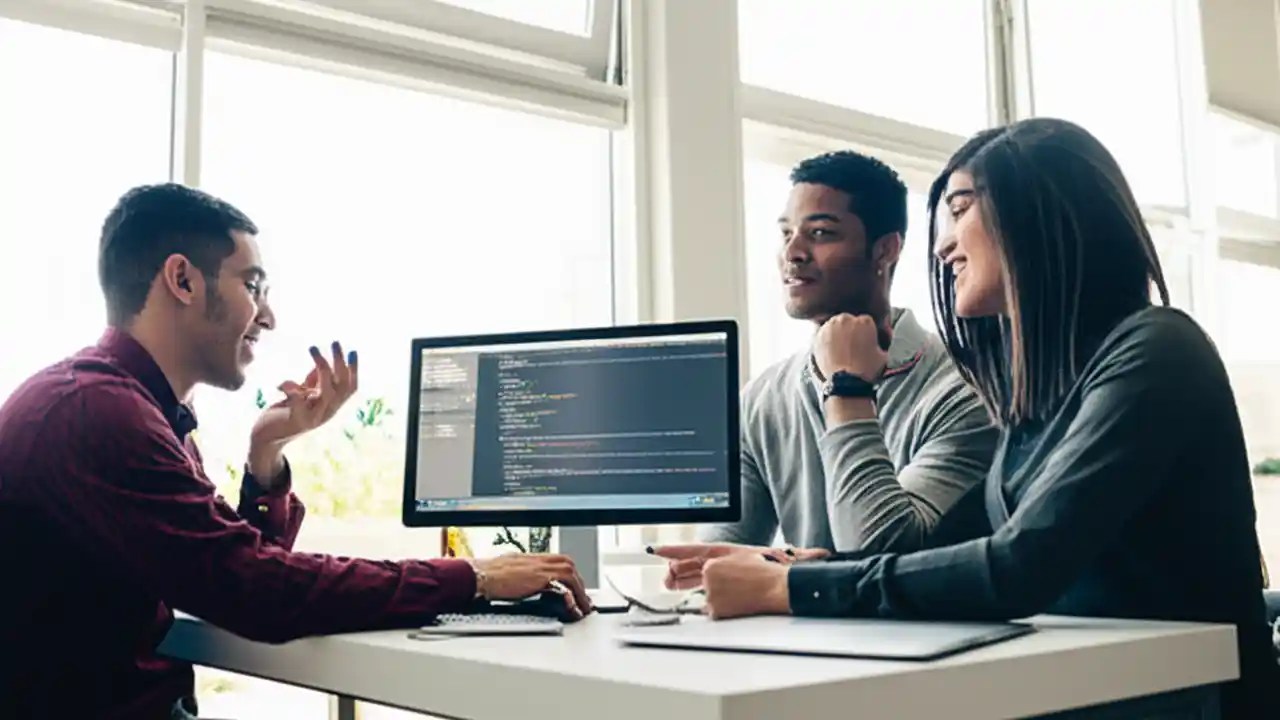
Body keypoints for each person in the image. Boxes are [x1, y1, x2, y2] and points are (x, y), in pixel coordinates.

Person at [658, 119, 1279, 717]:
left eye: (959, 210)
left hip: (1185, 702)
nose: (943, 244)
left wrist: (787, 588)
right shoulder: (1029, 390)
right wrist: (815, 566)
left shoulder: (1157, 351)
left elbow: (1017, 566)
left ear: (1036, 214)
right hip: (1080, 689)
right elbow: (966, 552)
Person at [0, 184, 592, 719]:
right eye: (253, 286)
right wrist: (474, 577)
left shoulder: (134, 410)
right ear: (182, 280)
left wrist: (266, 452)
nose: (270, 316)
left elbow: (222, 576)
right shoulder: (97, 414)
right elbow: (252, 590)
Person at [662, 151, 998, 587]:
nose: (793, 253)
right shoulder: (760, 398)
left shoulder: (964, 391)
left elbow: (879, 553)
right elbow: (708, 567)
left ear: (886, 249)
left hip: (920, 647)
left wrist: (846, 388)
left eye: (820, 233)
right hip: (792, 642)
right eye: (786, 234)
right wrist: (799, 566)